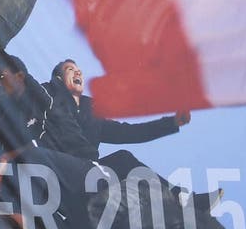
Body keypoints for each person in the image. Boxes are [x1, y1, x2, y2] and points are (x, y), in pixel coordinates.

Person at [42, 58, 189, 162]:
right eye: (70, 70)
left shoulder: (92, 112)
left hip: (82, 173)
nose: (78, 73)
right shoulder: (44, 93)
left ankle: (184, 200)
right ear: (59, 78)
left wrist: (171, 123)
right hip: (48, 162)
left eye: (79, 71)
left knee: (123, 160)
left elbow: (130, 133)